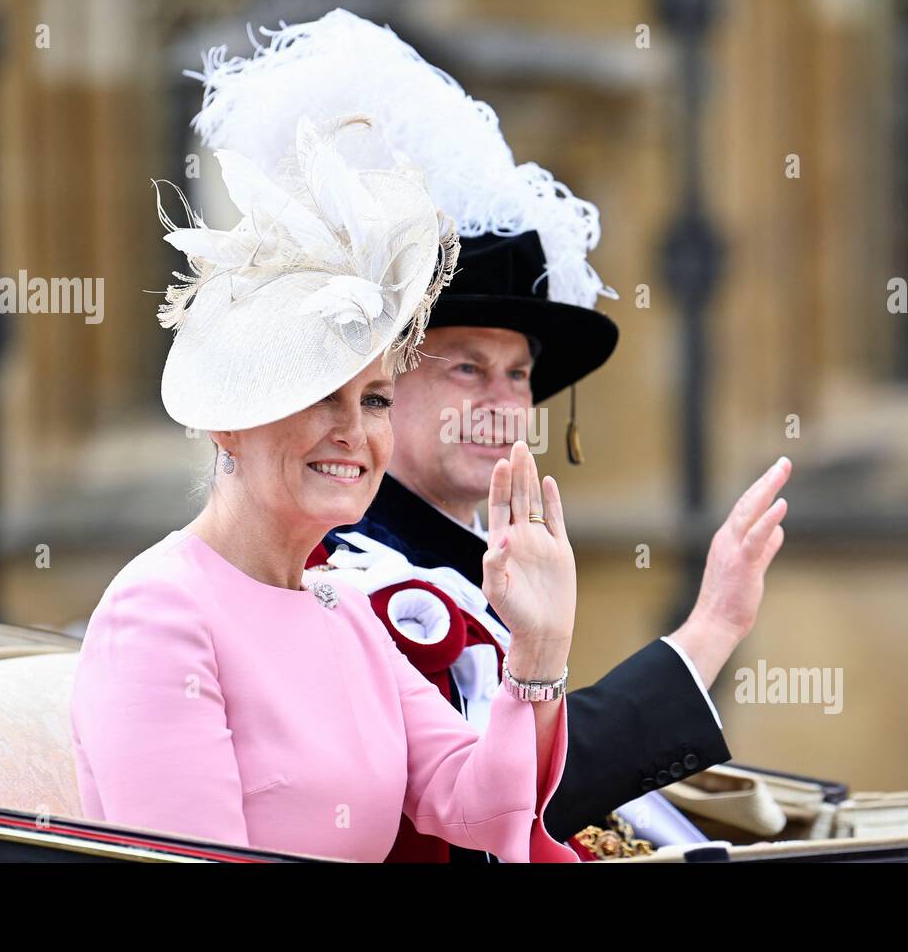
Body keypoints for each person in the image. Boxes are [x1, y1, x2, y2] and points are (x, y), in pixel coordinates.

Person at [189, 9, 790, 861]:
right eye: (466, 368)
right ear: (382, 386)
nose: (502, 404)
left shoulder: (462, 566)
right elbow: (499, 805)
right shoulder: (350, 572)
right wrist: (711, 628)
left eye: (519, 375)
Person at [69, 113, 580, 863]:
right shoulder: (160, 613)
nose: (353, 432)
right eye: (318, 396)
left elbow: (474, 806)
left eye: (374, 399)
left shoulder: (339, 606)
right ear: (227, 422)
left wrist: (538, 648)